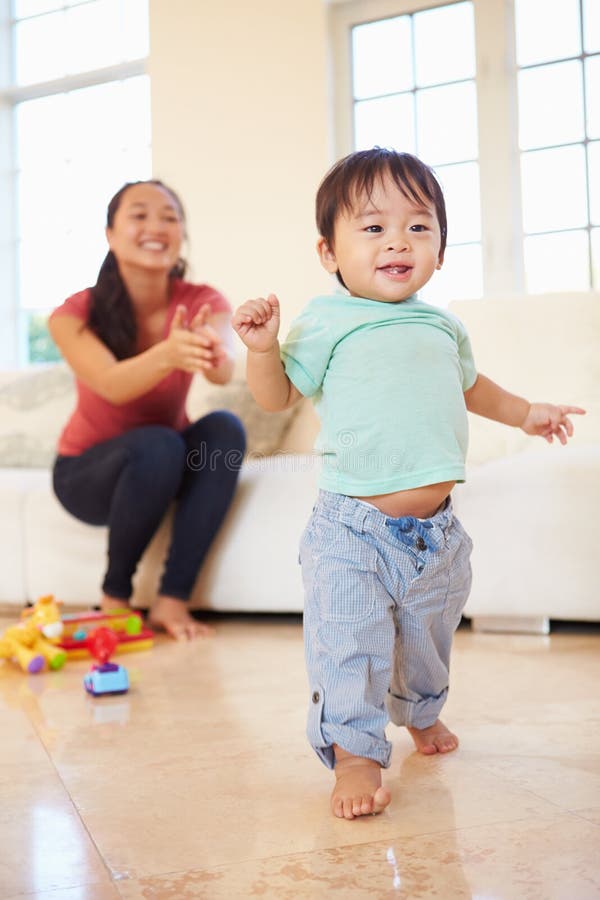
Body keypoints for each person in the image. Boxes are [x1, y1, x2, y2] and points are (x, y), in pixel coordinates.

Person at [232, 148, 585, 819]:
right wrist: (261, 350)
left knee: (426, 646)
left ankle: (419, 713)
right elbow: (277, 398)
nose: (398, 240)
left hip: (437, 534)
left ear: (442, 250)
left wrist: (530, 413)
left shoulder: (441, 325)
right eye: (372, 228)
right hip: (349, 531)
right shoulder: (326, 321)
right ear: (328, 251)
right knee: (350, 645)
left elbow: (475, 388)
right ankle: (356, 756)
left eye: (419, 227)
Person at [49, 179, 245, 641]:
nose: (156, 226)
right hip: (86, 476)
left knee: (223, 429)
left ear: (182, 234)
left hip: (166, 465)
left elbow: (222, 371)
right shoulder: (72, 313)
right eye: (139, 215)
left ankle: (172, 601)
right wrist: (169, 353)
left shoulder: (202, 299)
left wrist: (213, 351)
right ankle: (115, 600)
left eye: (170, 216)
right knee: (158, 443)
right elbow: (113, 386)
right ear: (110, 234)